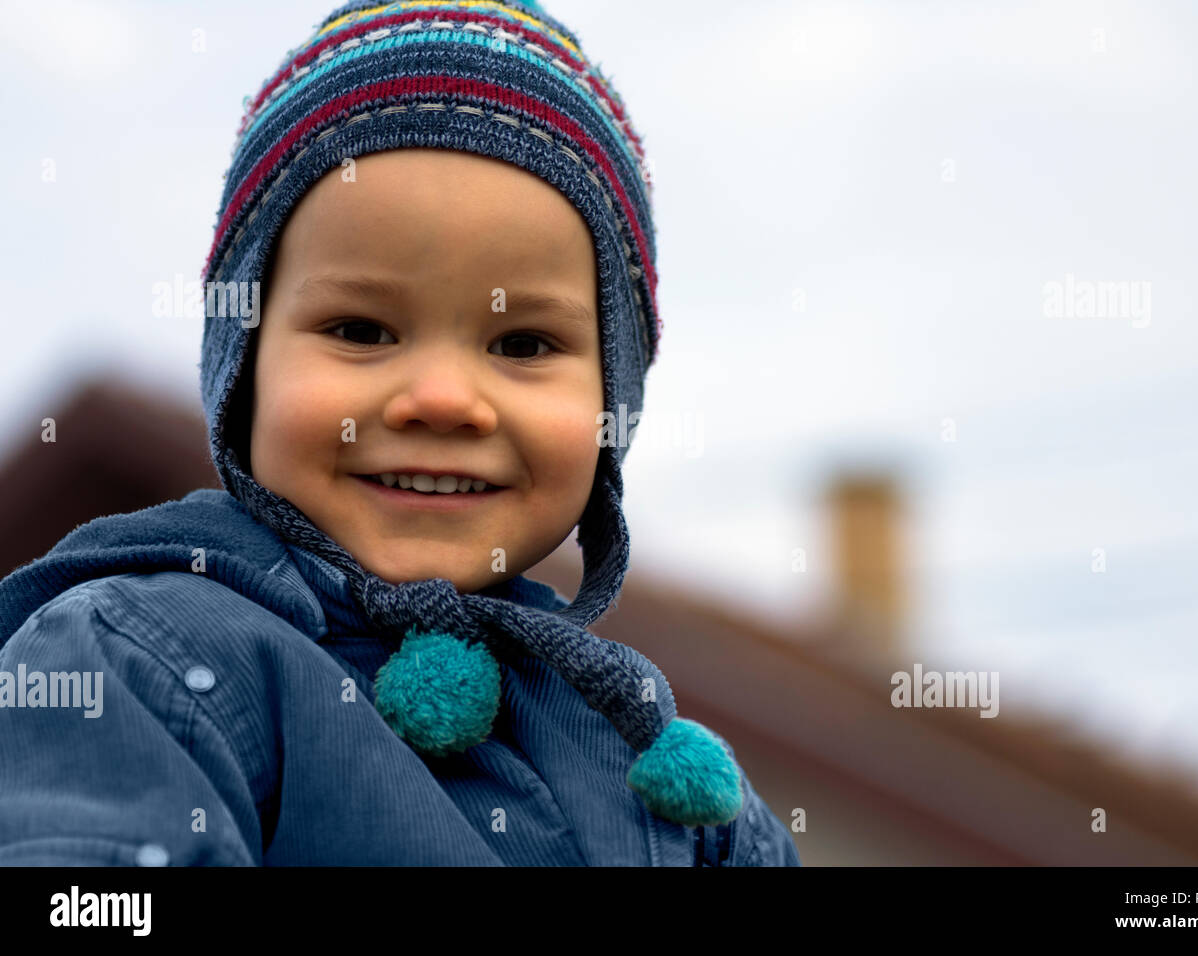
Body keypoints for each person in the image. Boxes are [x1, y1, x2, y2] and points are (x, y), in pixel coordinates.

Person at [0, 0, 800, 866]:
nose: (444, 399)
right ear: (242, 367)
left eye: (523, 343)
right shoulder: (137, 662)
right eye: (361, 330)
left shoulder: (651, 755)